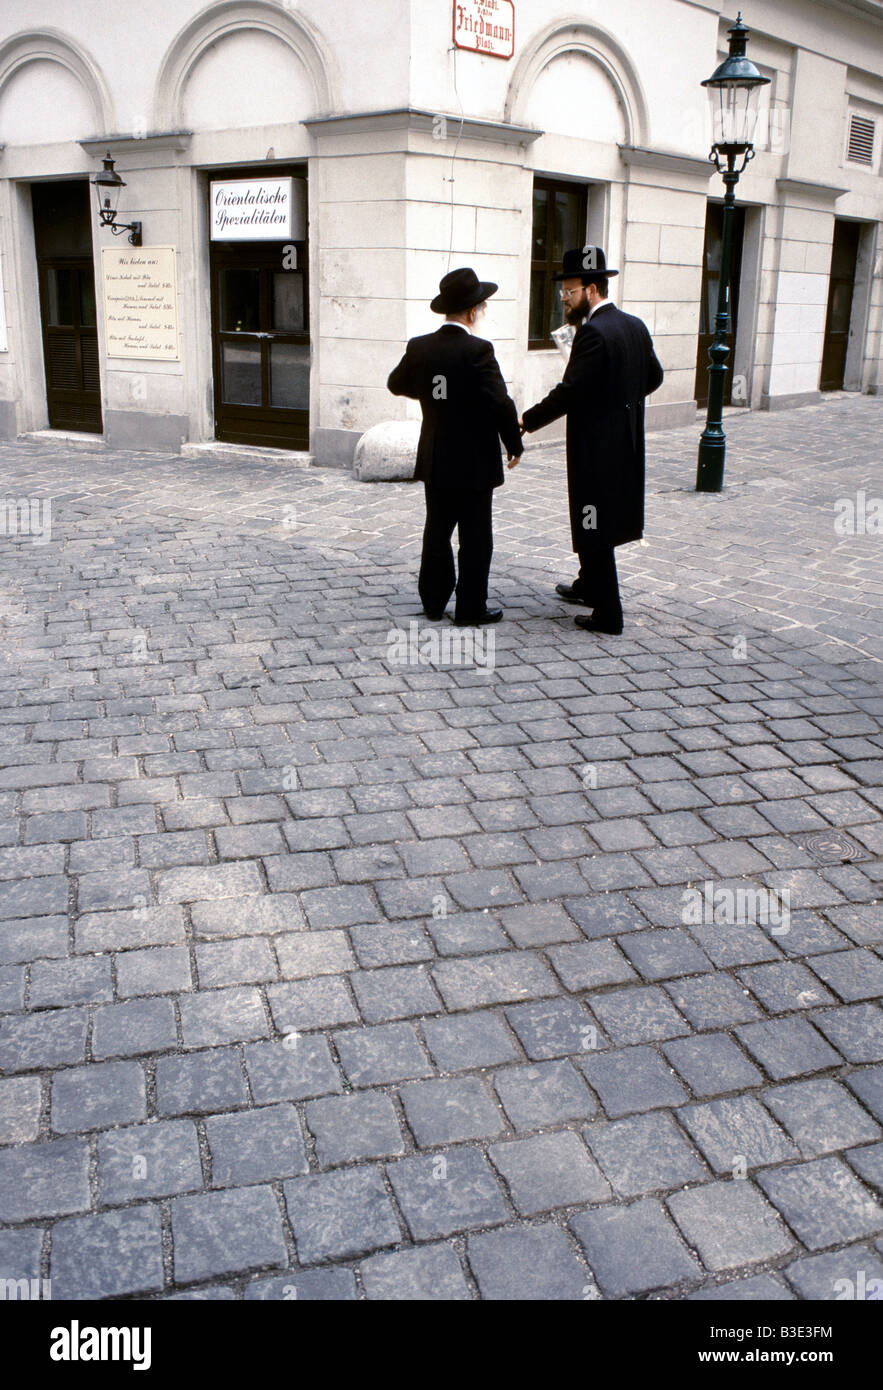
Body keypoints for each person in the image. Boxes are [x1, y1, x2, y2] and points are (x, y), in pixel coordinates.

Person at [520, 246, 664, 635]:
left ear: (593, 289)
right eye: (563, 292)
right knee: (594, 514)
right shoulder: (633, 324)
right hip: (625, 441)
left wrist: (526, 421)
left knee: (594, 518)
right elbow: (654, 376)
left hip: (596, 446)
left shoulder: (594, 333)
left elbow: (570, 392)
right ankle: (588, 583)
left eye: (570, 291)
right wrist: (621, 401)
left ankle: (608, 612)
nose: (564, 299)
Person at [387, 267, 523, 626]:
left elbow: (395, 384)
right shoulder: (479, 350)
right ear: (473, 311)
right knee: (476, 538)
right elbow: (500, 402)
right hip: (474, 459)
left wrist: (434, 395)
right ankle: (469, 608)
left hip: (436, 455)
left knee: (437, 530)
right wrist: (514, 443)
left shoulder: (420, 347)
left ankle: (433, 601)